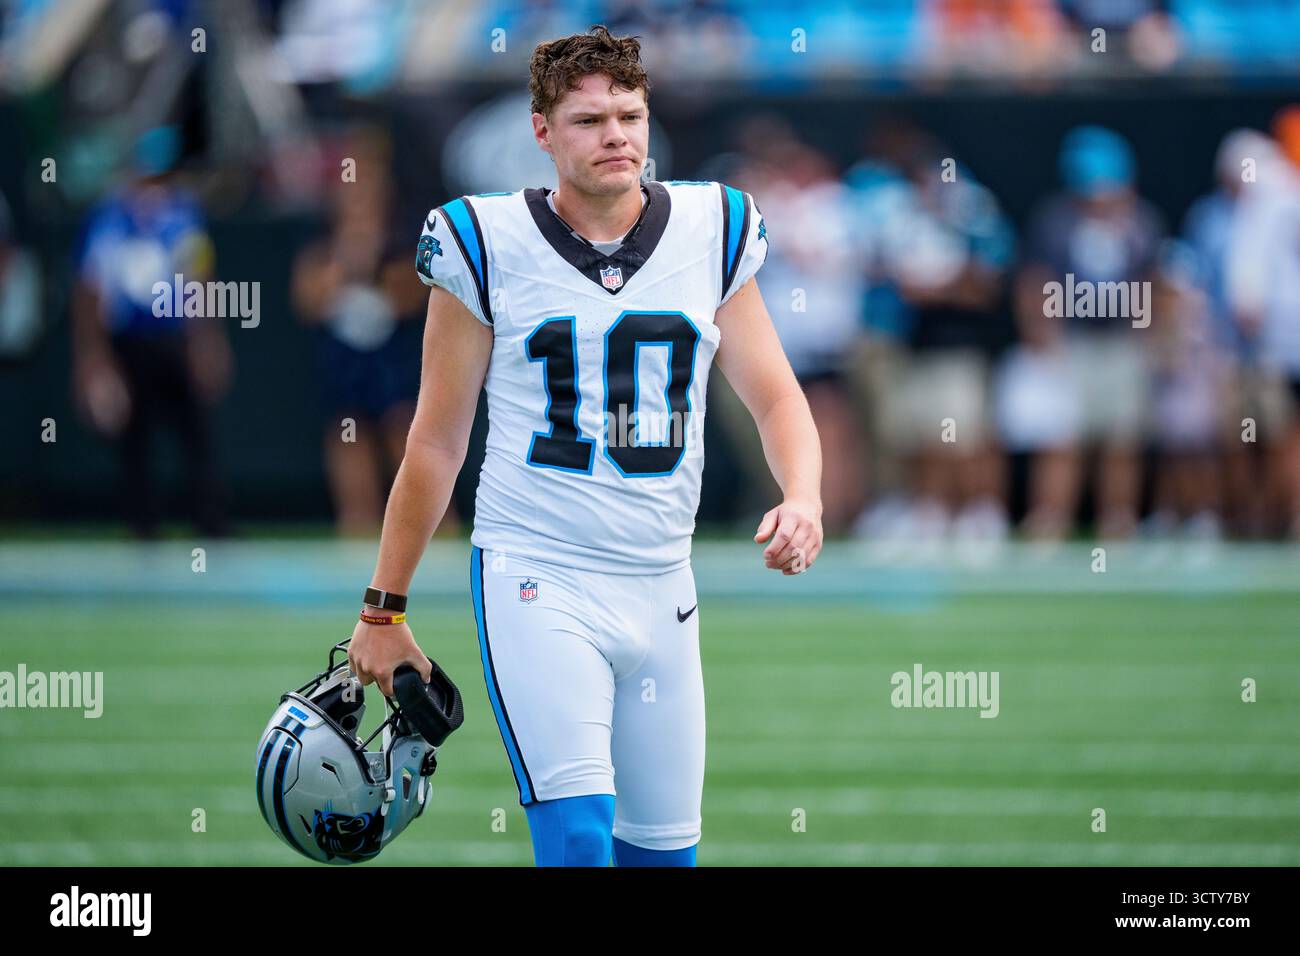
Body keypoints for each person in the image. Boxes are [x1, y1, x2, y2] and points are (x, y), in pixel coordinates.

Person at [344, 25, 823, 867]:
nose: (616, 137)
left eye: (630, 116)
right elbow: (435, 441)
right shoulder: (483, 240)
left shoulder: (713, 225)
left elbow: (776, 395)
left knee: (663, 858)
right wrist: (384, 608)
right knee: (576, 838)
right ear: (541, 130)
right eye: (589, 120)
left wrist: (804, 496)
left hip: (664, 584)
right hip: (539, 574)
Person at [71, 125, 232, 539]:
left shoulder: (182, 214)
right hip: (128, 343)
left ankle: (209, 524)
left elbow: (200, 279)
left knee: (195, 434)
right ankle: (143, 530)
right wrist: (93, 359)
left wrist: (206, 340)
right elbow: (89, 289)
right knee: (134, 438)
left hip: (174, 340)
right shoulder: (107, 219)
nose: (156, 186)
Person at [291, 128, 431, 536]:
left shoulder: (406, 233)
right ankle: (358, 526)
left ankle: (428, 527)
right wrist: (347, 258)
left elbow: (411, 293)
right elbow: (307, 300)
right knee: (347, 434)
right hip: (343, 358)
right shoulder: (321, 238)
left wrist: (371, 261)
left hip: (395, 357)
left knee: (403, 431)